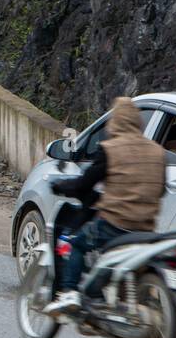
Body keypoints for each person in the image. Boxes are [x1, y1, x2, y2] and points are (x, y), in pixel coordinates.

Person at [44, 97, 167, 315]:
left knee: (77, 244)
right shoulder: (157, 151)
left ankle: (70, 293)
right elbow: (161, 189)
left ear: (115, 121)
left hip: (115, 223)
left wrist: (61, 185)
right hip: (146, 228)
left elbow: (84, 182)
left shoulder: (110, 149)